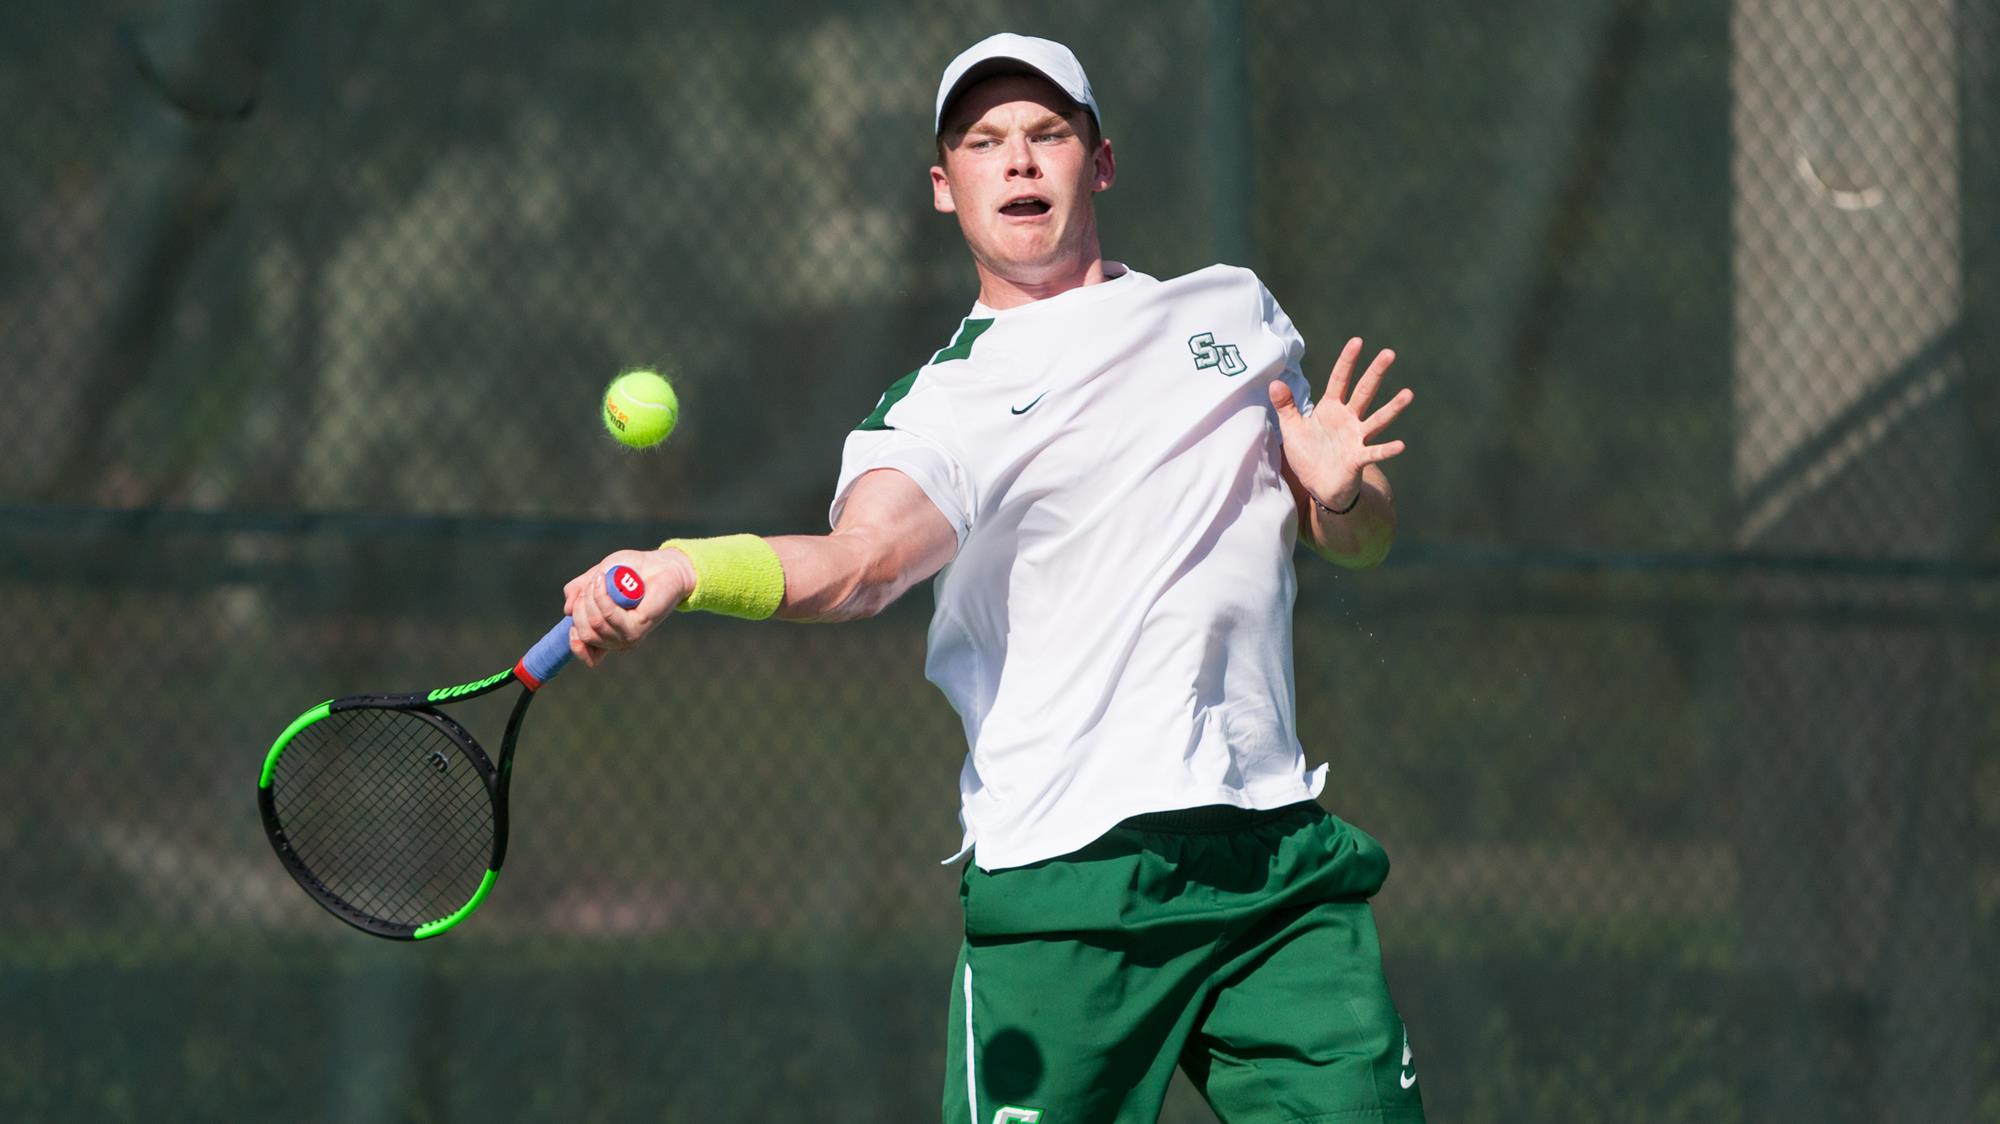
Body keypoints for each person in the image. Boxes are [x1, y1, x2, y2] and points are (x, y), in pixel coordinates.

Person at [565, 32, 1424, 1124]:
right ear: (944, 185)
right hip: (1067, 877)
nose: (1017, 159)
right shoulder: (940, 406)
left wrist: (1340, 495)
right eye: (982, 141)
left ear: (1098, 164)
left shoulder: (1232, 312)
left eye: (1045, 133)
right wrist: (689, 565)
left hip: (1275, 861)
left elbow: (1357, 539)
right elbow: (862, 563)